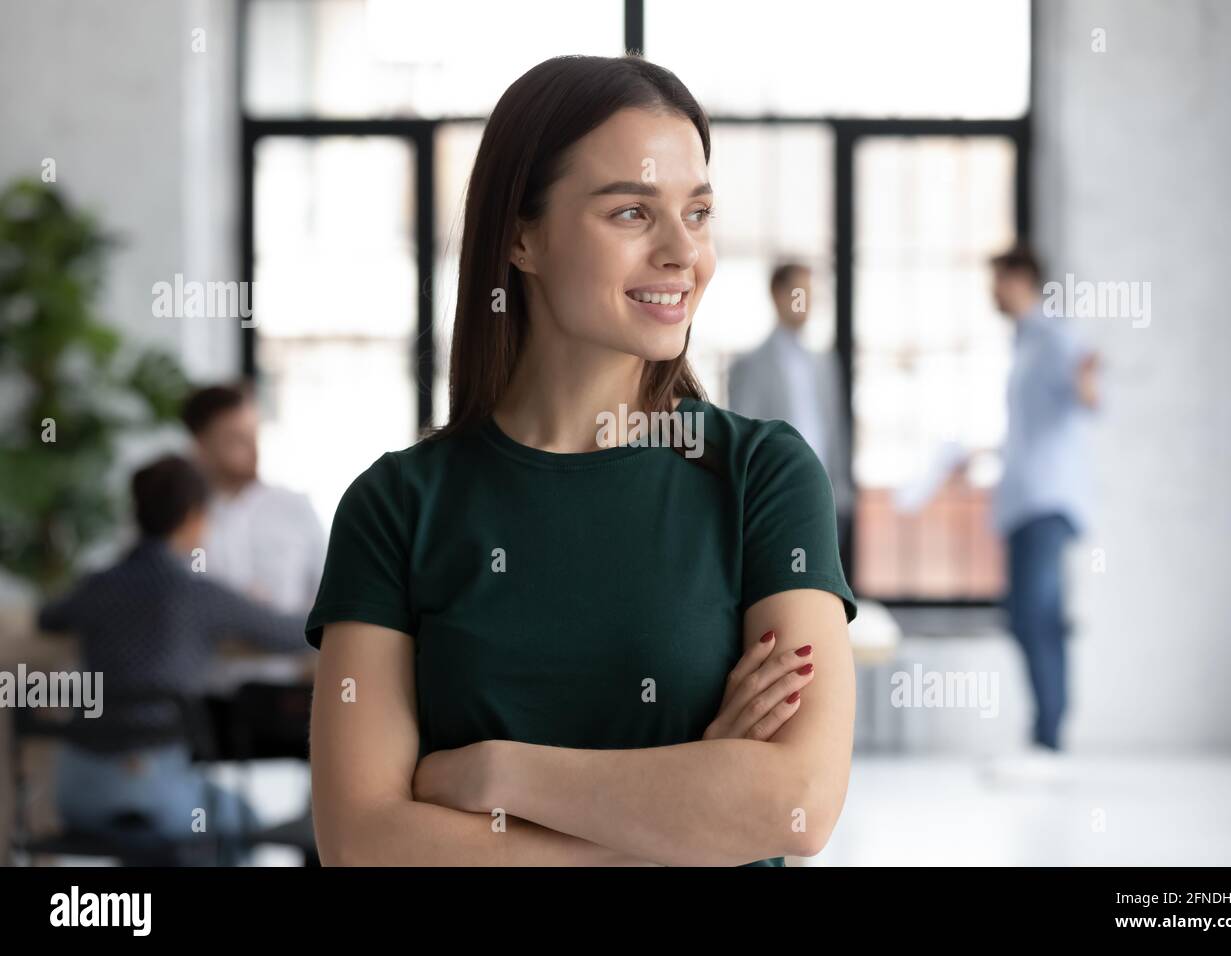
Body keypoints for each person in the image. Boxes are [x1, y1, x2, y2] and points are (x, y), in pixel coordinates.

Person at [307, 54, 859, 867]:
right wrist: (687, 826)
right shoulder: (396, 507)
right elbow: (364, 842)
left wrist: (499, 772)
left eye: (698, 212)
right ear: (521, 236)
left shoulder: (761, 477)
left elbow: (798, 807)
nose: (684, 253)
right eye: (633, 213)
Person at [37, 455, 309, 862]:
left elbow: (48, 618)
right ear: (192, 518)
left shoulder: (99, 584)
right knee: (242, 817)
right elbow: (292, 633)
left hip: (78, 794)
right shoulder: (199, 596)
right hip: (154, 795)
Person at [986, 244, 1099, 771]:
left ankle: (1049, 740)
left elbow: (1088, 397)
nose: (992, 293)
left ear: (1023, 279)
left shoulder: (1054, 339)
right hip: (1023, 502)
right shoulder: (1024, 343)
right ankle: (1045, 734)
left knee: (1039, 617)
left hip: (1046, 504)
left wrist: (1088, 386)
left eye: (998, 281)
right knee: (1026, 618)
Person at [727, 262, 857, 589]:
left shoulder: (824, 363)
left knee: (822, 586)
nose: (807, 302)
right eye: (799, 293)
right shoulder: (750, 365)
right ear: (776, 295)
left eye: (811, 294)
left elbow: (835, 431)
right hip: (777, 494)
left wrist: (841, 488)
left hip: (825, 492)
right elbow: (745, 433)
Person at [181, 384, 325, 616]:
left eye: (253, 435)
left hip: (290, 649)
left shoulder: (294, 508)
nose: (253, 449)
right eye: (236, 440)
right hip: (207, 652)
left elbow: (328, 595)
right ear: (201, 445)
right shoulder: (179, 517)